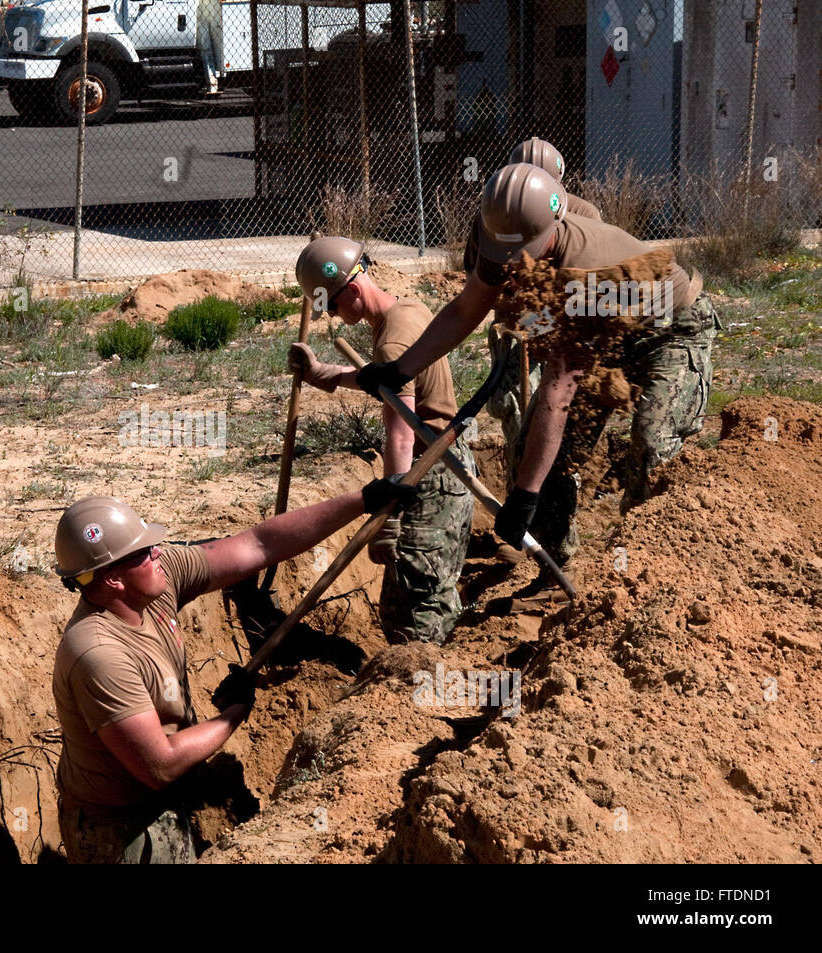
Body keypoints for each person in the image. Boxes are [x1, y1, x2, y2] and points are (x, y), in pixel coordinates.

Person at [356, 162, 719, 587]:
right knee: (533, 448)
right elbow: (464, 310)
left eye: (525, 250)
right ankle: (555, 569)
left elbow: (557, 393)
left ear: (554, 224)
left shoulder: (586, 272)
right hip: (608, 335)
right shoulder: (501, 238)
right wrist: (400, 369)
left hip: (668, 330)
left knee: (652, 443)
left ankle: (649, 578)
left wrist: (525, 496)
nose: (514, 263)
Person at [52, 480, 415, 863]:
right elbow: (160, 765)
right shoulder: (100, 654)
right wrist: (233, 713)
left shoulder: (154, 580)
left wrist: (361, 500)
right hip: (123, 830)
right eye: (143, 551)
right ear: (112, 578)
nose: (158, 552)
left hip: (165, 797)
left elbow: (258, 544)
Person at [288, 236, 473, 645]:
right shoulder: (408, 309)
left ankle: (414, 699)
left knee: (410, 612)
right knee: (431, 595)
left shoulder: (390, 340)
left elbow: (401, 432)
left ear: (353, 289)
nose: (331, 316)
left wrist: (390, 512)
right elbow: (384, 380)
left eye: (332, 305)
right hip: (452, 462)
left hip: (429, 472)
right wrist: (324, 374)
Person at [469, 139, 603, 521]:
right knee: (512, 410)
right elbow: (478, 278)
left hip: (568, 327)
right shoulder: (495, 211)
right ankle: (521, 500)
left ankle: (554, 506)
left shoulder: (582, 213)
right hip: (515, 323)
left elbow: (586, 286)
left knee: (557, 412)